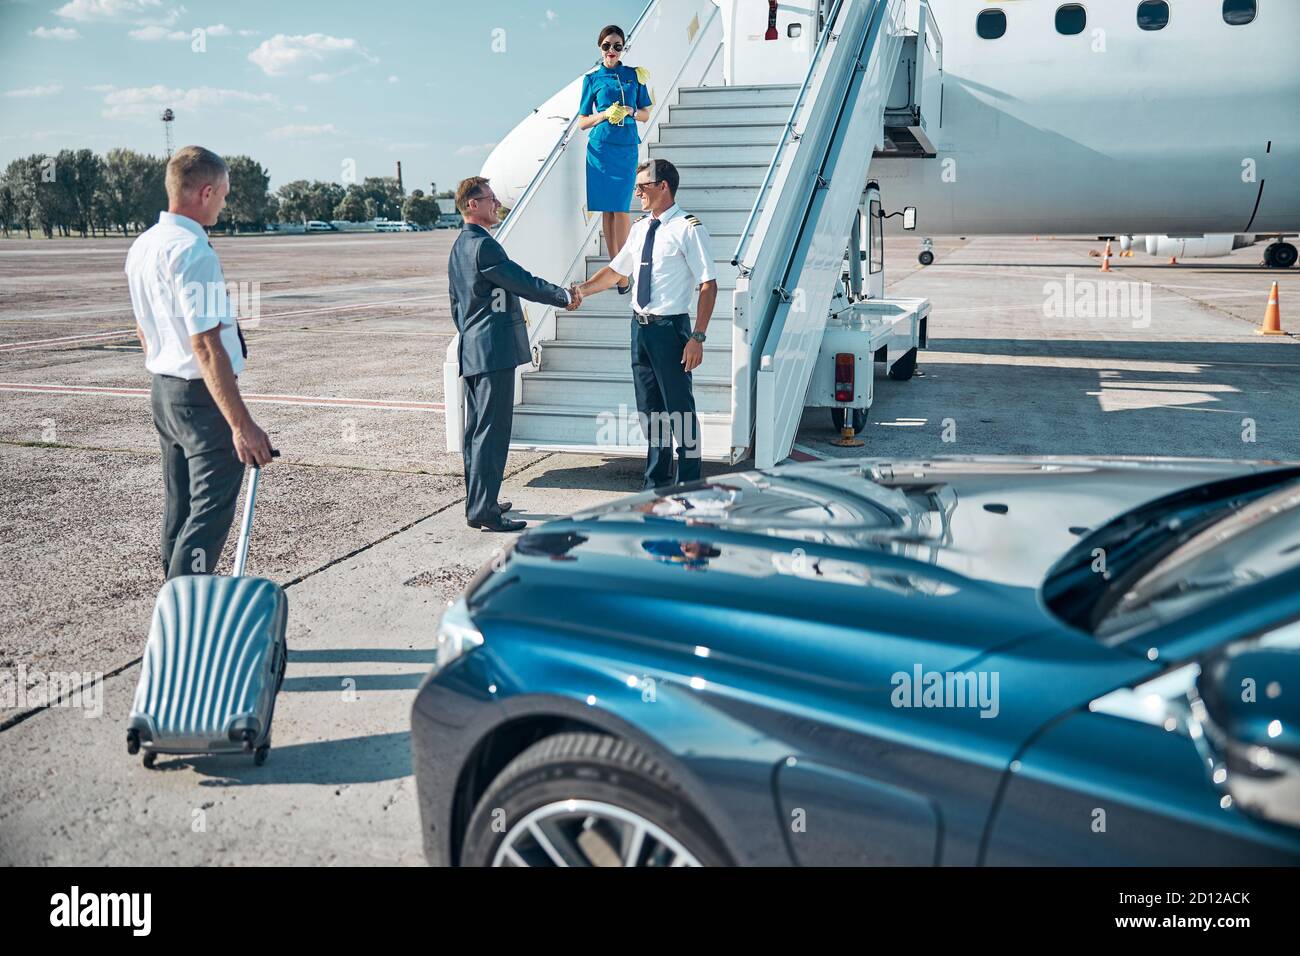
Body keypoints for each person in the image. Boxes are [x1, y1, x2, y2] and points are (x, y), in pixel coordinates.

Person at [126, 145, 272, 581]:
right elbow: (207, 346)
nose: (225, 204)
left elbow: (142, 328)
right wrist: (242, 424)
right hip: (200, 397)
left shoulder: (145, 244)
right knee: (209, 511)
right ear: (205, 193)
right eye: (224, 195)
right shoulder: (194, 251)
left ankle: (171, 598)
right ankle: (185, 608)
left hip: (165, 391)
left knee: (181, 504)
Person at [575, 158, 717, 489]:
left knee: (680, 411)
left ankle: (691, 485)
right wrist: (579, 292)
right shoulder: (640, 228)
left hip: (671, 330)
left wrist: (698, 336)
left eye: (643, 185)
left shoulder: (687, 228)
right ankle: (656, 483)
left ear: (663, 186)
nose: (637, 191)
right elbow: (615, 272)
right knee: (649, 410)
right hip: (639, 329)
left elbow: (708, 284)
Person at [449, 176, 581, 532]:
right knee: (491, 433)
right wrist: (562, 296)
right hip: (492, 353)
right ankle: (485, 511)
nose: (497, 204)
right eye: (490, 199)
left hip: (474, 350)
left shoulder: (460, 245)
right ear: (472, 206)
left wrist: (470, 337)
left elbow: (456, 305)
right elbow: (521, 281)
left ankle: (481, 501)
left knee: (477, 432)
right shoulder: (485, 246)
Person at [578, 23, 652, 294]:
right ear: (600, 48)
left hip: (626, 148)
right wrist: (604, 114)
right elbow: (583, 122)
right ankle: (619, 272)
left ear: (623, 48)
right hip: (600, 149)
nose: (612, 51)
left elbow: (645, 113)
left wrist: (630, 112)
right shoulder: (592, 79)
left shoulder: (635, 75)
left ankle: (620, 272)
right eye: (607, 46)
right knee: (608, 211)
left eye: (617, 46)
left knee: (621, 208)